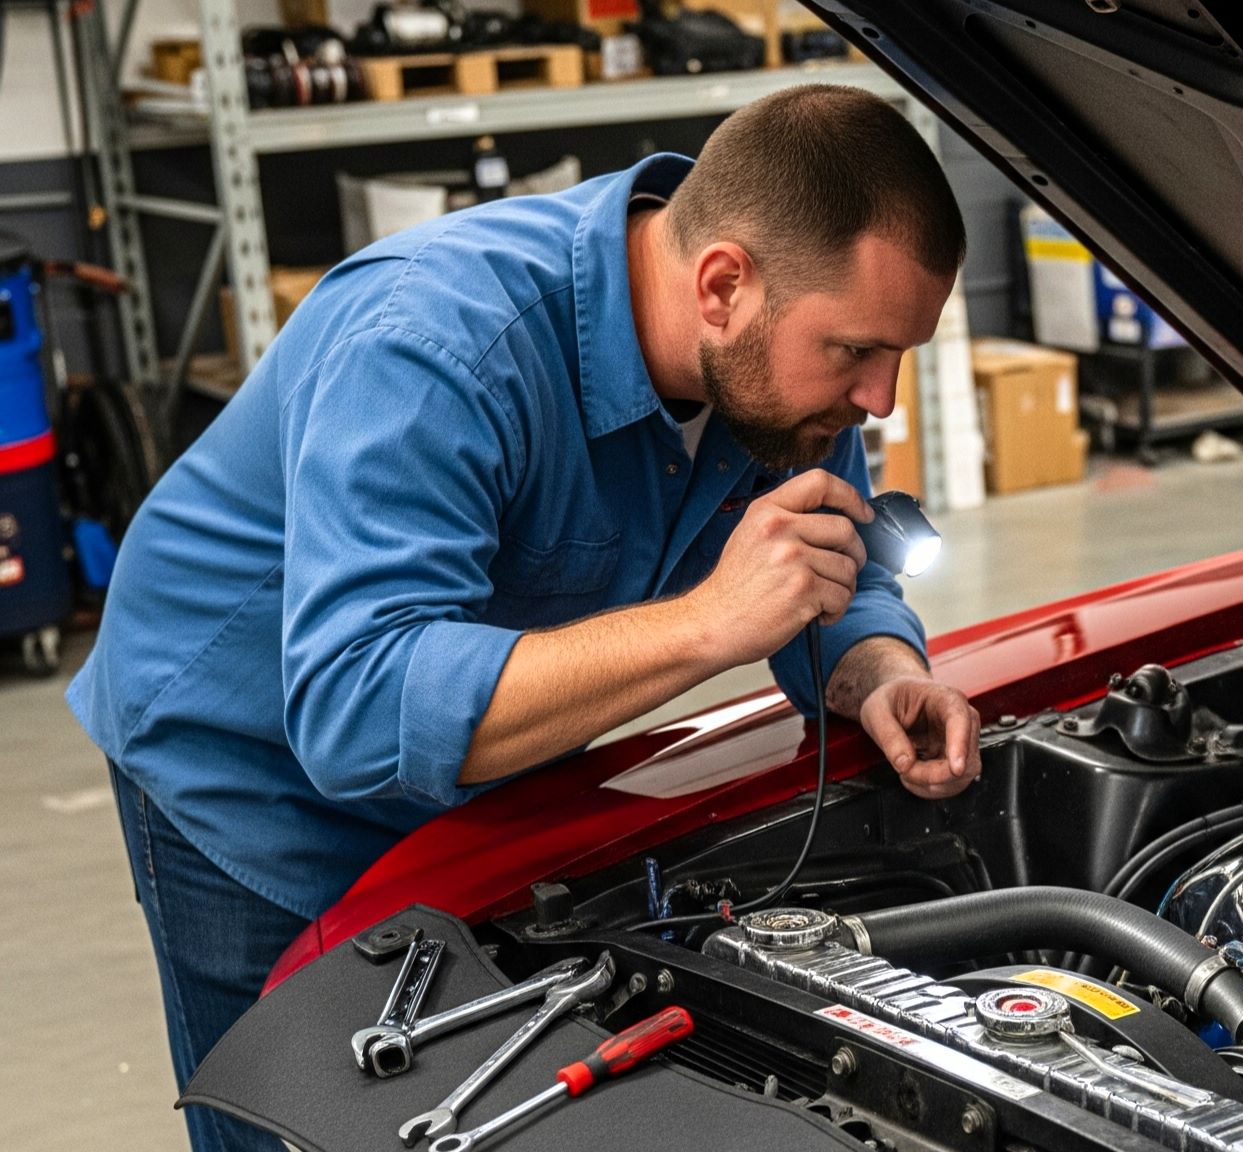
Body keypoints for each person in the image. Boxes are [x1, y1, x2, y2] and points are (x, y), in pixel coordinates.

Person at [67, 84, 981, 1152]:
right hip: (242, 764)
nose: (879, 398)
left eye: (898, 355)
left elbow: (832, 563)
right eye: (856, 353)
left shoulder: (782, 374)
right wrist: (703, 625)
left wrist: (873, 667)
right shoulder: (437, 346)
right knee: (304, 1115)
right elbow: (359, 712)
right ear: (722, 284)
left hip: (477, 769)